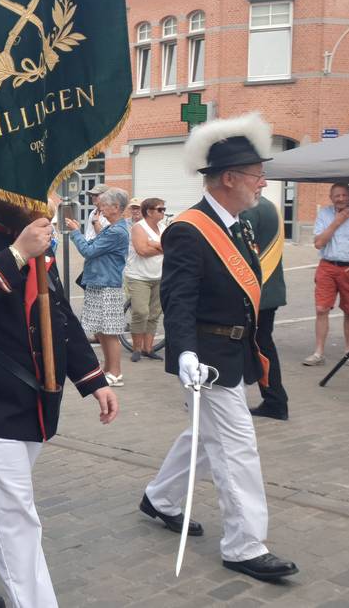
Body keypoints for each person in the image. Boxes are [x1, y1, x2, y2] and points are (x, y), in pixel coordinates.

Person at [0, 194, 118, 607]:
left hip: (30, 400)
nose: (41, 202)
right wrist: (15, 254)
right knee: (14, 518)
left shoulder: (31, 237)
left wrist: (92, 379)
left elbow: (57, 313)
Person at [143, 113, 298, 583]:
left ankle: (161, 498)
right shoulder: (189, 229)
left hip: (235, 352)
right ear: (229, 178)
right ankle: (244, 545)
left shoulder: (239, 225)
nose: (262, 182)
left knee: (205, 440)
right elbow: (179, 297)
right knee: (236, 448)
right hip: (206, 359)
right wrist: (184, 352)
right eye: (256, 175)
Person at [66, 187, 130, 387]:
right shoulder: (113, 228)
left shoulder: (118, 230)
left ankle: (116, 373)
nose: (100, 208)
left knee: (109, 331)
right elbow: (98, 245)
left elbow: (89, 250)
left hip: (107, 284)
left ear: (116, 207)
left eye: (104, 205)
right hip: (98, 282)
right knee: (101, 330)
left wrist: (75, 233)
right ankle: (108, 368)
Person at [242, 195, 290, 420]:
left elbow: (244, 248)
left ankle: (275, 399)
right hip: (268, 289)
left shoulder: (249, 208)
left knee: (259, 345)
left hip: (257, 290)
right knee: (261, 344)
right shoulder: (269, 206)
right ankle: (274, 399)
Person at [303, 183, 349, 366]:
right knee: (321, 309)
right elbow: (319, 243)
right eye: (336, 196)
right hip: (327, 266)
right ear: (331, 197)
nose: (341, 198)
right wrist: (337, 222)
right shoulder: (325, 214)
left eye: (344, 195)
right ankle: (318, 353)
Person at [124, 197, 168, 362]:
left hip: (159, 275)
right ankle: (136, 349)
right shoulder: (138, 227)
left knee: (154, 313)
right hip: (139, 277)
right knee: (141, 312)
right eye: (160, 209)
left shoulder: (163, 227)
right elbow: (142, 250)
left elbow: (171, 246)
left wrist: (153, 244)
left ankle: (147, 349)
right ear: (149, 212)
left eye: (163, 209)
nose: (163, 212)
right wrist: (161, 247)